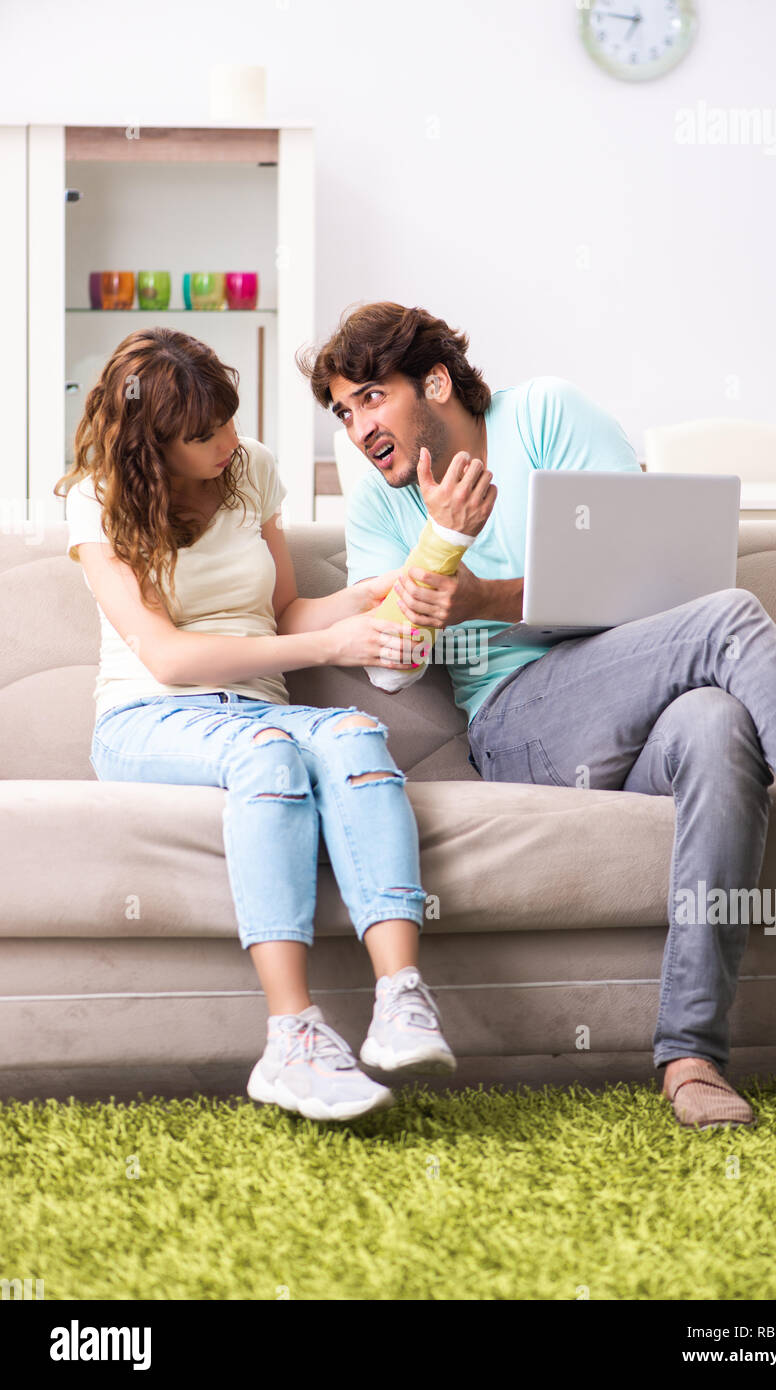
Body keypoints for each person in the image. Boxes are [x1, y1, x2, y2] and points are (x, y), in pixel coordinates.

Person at [298, 300, 776, 1131]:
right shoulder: (382, 505)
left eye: (371, 398)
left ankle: (690, 1056)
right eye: (343, 413)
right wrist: (443, 544)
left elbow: (650, 579)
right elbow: (388, 668)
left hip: (639, 695)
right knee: (731, 616)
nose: (357, 428)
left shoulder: (547, 416)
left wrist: (485, 597)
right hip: (518, 721)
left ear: (435, 380)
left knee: (715, 723)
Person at [57, 326, 487, 1124]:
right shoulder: (98, 498)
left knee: (358, 733)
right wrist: (330, 644)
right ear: (151, 446)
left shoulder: (250, 466)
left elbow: (284, 611)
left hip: (258, 707)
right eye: (201, 435)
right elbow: (167, 658)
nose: (226, 442)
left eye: (227, 419)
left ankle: (399, 1000)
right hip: (148, 718)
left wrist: (370, 594)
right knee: (268, 756)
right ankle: (290, 1039)